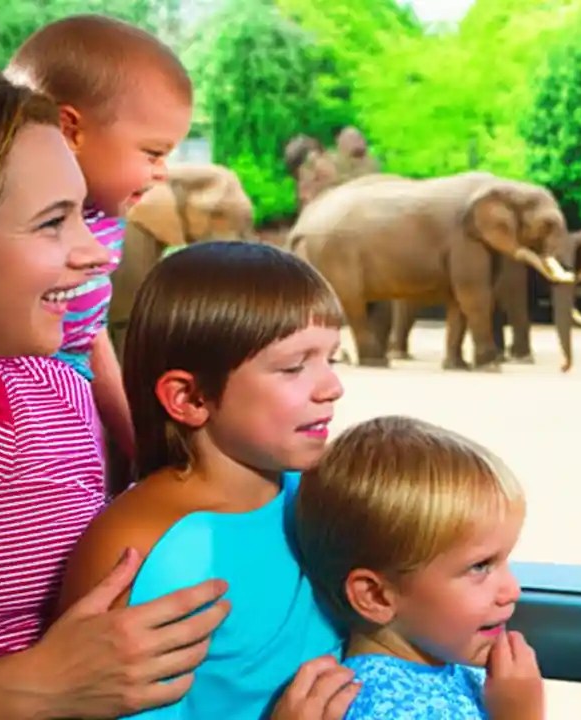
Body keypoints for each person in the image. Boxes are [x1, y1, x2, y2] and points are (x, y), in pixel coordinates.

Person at [0, 58, 231, 720]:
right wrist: (28, 687)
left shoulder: (59, 398)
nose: (97, 254)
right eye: (52, 223)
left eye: (83, 215)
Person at [56, 240, 360, 719]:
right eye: (294, 367)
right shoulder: (143, 548)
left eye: (331, 359)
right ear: (190, 397)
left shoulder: (315, 495)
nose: (332, 388)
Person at [4, 13, 197, 480]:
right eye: (152, 153)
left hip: (76, 411)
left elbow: (89, 335)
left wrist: (134, 440)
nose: (163, 171)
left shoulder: (106, 222)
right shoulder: (3, 223)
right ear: (71, 130)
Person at [295, 415, 545, 720]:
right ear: (376, 596)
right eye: (480, 567)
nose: (511, 590)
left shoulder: (439, 663)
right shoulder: (391, 709)